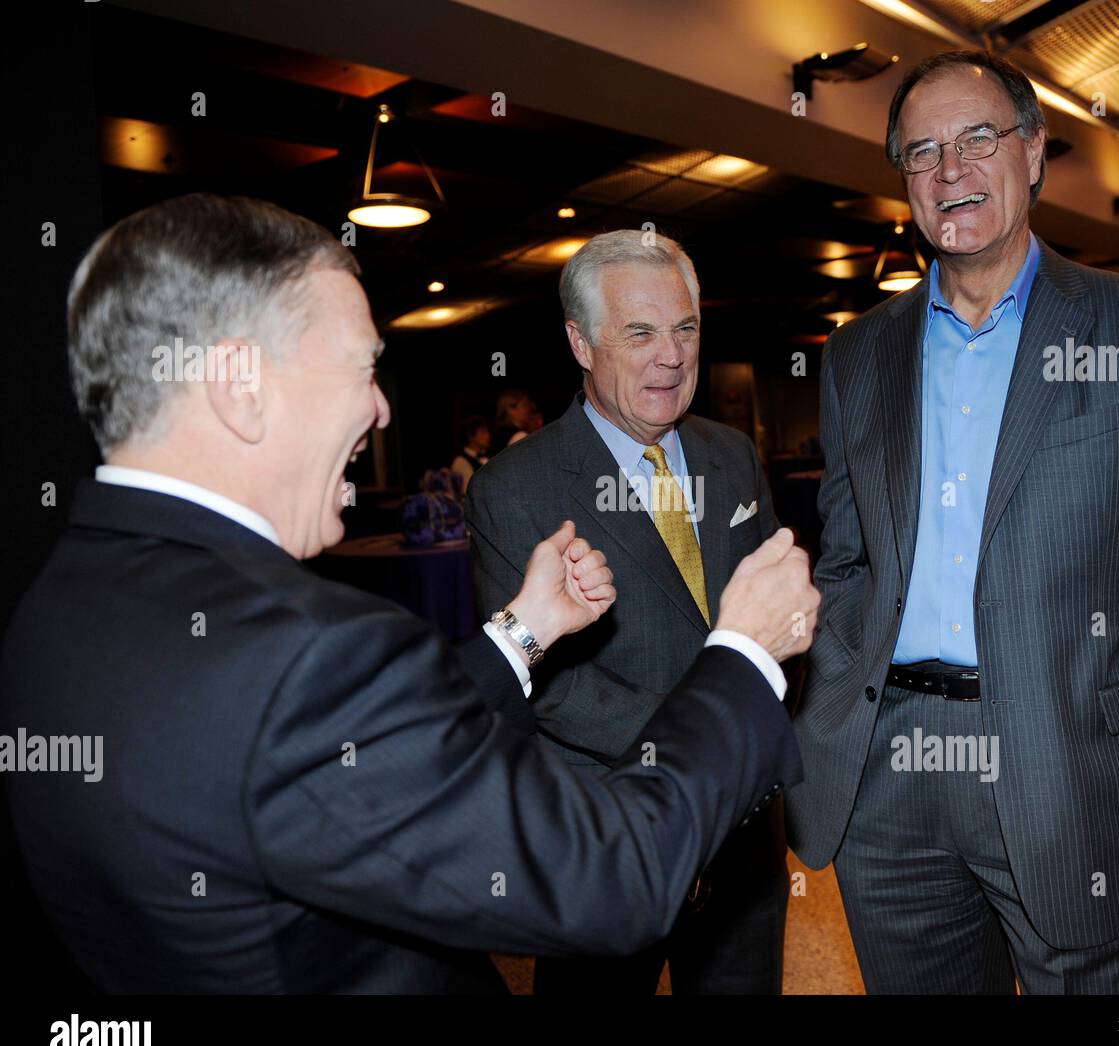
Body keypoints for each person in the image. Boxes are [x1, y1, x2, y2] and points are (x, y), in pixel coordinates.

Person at [0, 193, 820, 994]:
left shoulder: (58, 606)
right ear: (239, 386)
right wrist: (744, 656)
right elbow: (612, 881)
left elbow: (337, 754)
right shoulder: (313, 653)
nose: (381, 410)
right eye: (361, 367)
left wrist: (521, 634)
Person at [789, 50, 1119, 994]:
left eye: (978, 139)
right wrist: (837, 716)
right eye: (922, 152)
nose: (950, 168)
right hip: (892, 776)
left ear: (1034, 155)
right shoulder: (858, 354)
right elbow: (847, 561)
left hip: (1068, 770)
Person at [466, 231, 789, 995]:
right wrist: (721, 732)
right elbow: (545, 683)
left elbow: (773, 615)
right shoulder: (514, 488)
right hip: (606, 829)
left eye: (686, 329)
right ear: (580, 342)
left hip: (743, 830)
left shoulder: (733, 455)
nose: (671, 356)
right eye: (639, 332)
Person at [449, 414, 491, 493]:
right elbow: (467, 491)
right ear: (471, 436)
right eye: (483, 432)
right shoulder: (461, 460)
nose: (488, 436)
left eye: (487, 432)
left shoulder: (484, 457)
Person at [491, 389, 537, 453]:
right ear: (511, 409)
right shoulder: (519, 436)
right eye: (525, 405)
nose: (529, 409)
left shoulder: (499, 433)